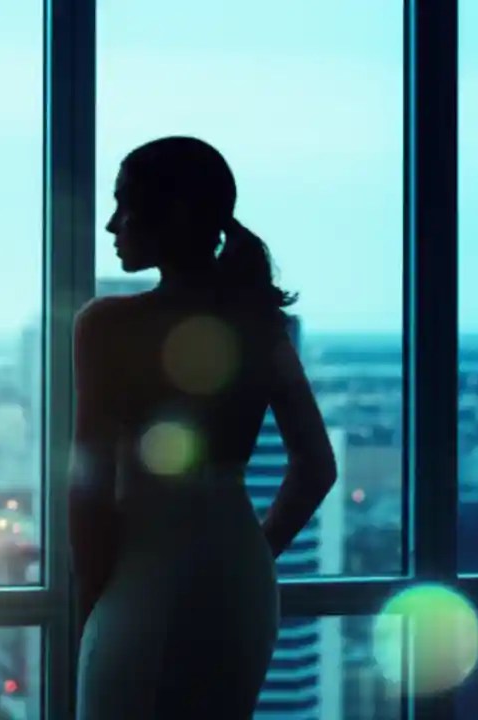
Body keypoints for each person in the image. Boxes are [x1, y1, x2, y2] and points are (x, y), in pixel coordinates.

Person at [68, 136, 338, 719]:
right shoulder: (260, 325)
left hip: (142, 582)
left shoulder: (107, 325)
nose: (112, 224)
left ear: (175, 213)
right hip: (240, 582)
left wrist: (90, 599)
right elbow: (317, 466)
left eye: (125, 204)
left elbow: (89, 484)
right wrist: (254, 554)